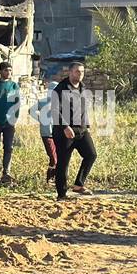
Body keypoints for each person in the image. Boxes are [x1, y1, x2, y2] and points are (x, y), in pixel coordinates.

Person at [53, 62, 96, 200]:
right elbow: (54, 111)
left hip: (81, 130)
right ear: (70, 72)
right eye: (77, 71)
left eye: (82, 72)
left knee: (91, 155)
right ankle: (61, 194)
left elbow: (82, 108)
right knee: (63, 163)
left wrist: (86, 124)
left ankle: (78, 184)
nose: (80, 74)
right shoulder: (60, 89)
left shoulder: (83, 87)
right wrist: (65, 127)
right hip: (64, 132)